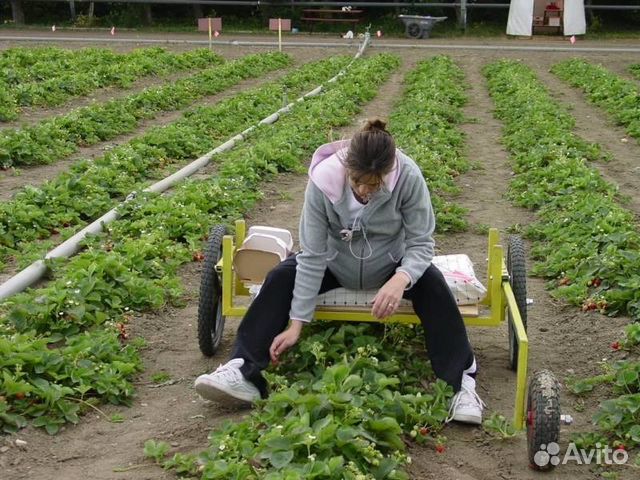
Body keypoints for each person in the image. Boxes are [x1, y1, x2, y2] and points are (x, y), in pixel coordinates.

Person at [194, 119, 484, 424]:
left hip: (390, 263)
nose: (363, 190)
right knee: (281, 277)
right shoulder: (323, 180)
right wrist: (296, 324)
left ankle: (460, 386)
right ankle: (243, 371)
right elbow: (313, 255)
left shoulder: (408, 177)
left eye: (374, 184)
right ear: (347, 166)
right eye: (357, 180)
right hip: (335, 262)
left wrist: (401, 278)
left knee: (434, 286)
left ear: (388, 173)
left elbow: (422, 243)